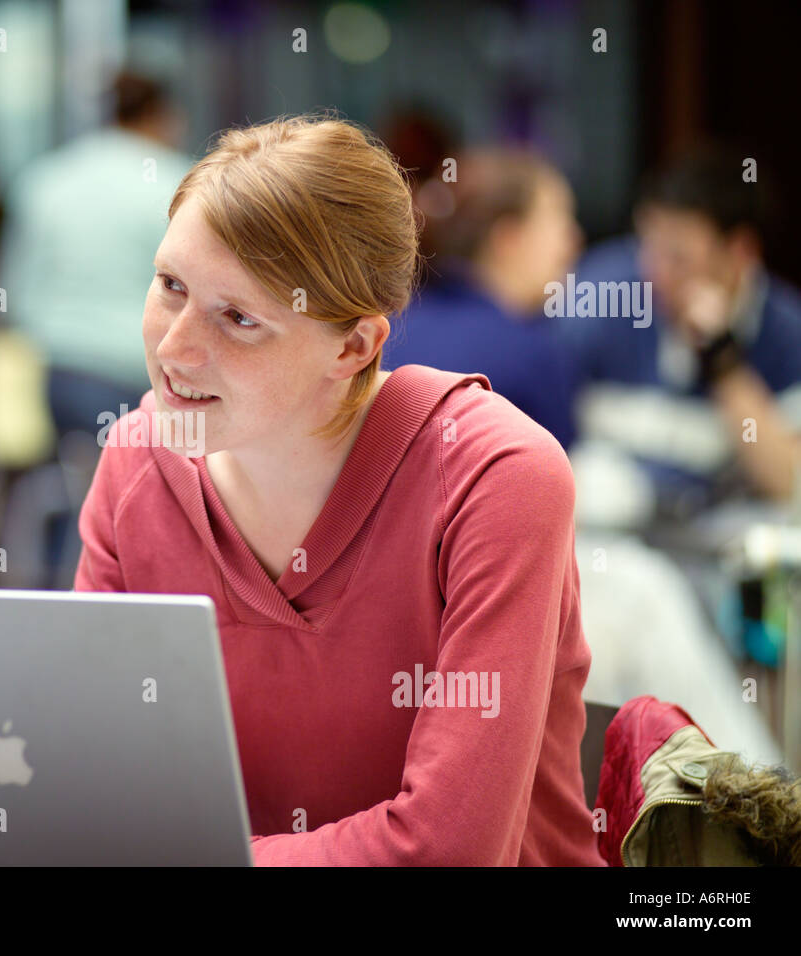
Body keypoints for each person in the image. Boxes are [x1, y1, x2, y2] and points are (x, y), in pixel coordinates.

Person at [74, 113, 606, 865]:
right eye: (170, 286)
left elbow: (446, 853)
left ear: (354, 346)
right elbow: (94, 787)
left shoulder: (498, 475)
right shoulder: (136, 459)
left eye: (238, 319)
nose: (172, 347)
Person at [564, 147, 801, 515]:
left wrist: (723, 357)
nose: (653, 271)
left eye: (677, 256)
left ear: (740, 251)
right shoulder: (600, 293)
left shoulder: (786, 332)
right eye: (647, 246)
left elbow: (788, 483)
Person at [0, 70, 194, 439]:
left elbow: (11, 292)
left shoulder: (47, 178)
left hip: (57, 374)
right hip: (144, 377)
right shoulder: (178, 186)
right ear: (162, 115)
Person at [385, 148, 583, 451]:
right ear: (508, 239)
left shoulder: (387, 326)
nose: (573, 241)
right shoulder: (531, 355)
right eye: (559, 220)